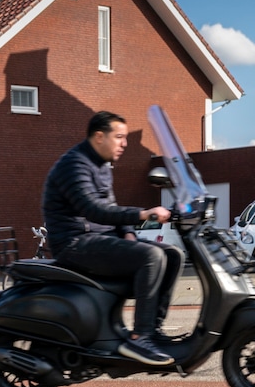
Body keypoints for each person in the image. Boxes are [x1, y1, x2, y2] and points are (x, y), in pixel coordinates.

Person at [41, 110, 183, 365]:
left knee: (172, 254)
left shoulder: (102, 165)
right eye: (119, 137)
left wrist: (128, 233)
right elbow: (93, 209)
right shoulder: (74, 165)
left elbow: (111, 208)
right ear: (99, 137)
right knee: (151, 256)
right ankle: (140, 338)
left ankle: (153, 331)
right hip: (74, 243)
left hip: (98, 239)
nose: (124, 144)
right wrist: (144, 214)